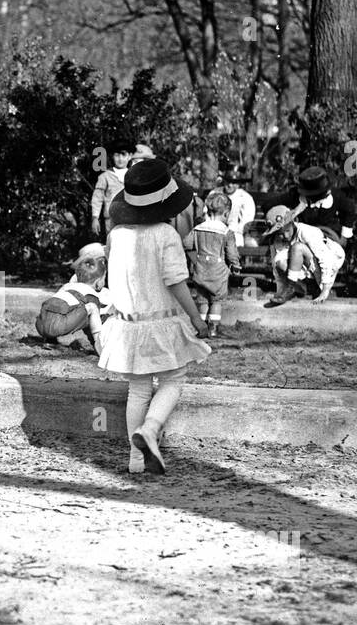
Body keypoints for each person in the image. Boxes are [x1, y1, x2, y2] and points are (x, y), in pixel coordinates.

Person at [100, 156, 212, 475]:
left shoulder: (117, 235)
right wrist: (196, 319)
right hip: (161, 321)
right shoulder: (166, 235)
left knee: (137, 389)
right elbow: (175, 281)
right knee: (174, 380)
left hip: (128, 323)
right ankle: (150, 428)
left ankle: (136, 461)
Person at [34, 243, 114, 352]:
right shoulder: (91, 293)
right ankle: (99, 345)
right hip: (58, 324)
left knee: (59, 304)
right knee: (92, 309)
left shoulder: (68, 285)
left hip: (40, 323)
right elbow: (90, 322)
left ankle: (49, 340)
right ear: (98, 281)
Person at [261, 204, 345, 306]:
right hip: (307, 261)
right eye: (280, 233)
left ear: (292, 223)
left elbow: (326, 259)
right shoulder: (276, 241)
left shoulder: (306, 232)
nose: (285, 236)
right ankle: (299, 288)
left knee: (297, 248)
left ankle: (316, 287)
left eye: (287, 230)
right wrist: (280, 292)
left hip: (332, 257)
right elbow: (277, 268)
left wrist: (325, 290)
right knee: (279, 261)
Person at [182, 191, 240, 337]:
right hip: (218, 273)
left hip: (200, 269)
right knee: (216, 301)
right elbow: (231, 253)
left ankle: (201, 329)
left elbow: (186, 244)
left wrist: (194, 257)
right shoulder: (226, 232)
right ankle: (213, 329)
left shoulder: (198, 229)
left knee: (202, 299)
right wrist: (235, 265)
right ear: (226, 214)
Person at [90, 137, 136, 238]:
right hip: (112, 221)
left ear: (130, 156)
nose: (120, 158)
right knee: (114, 247)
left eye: (123, 154)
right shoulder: (105, 176)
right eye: (117, 155)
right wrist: (95, 218)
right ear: (112, 156)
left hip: (131, 221)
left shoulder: (133, 176)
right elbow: (97, 198)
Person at [218, 168, 256, 245]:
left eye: (234, 182)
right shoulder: (215, 193)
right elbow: (207, 214)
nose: (230, 185)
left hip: (235, 232)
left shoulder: (245, 197)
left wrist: (232, 230)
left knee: (236, 242)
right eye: (228, 181)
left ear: (238, 184)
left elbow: (247, 221)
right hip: (215, 231)